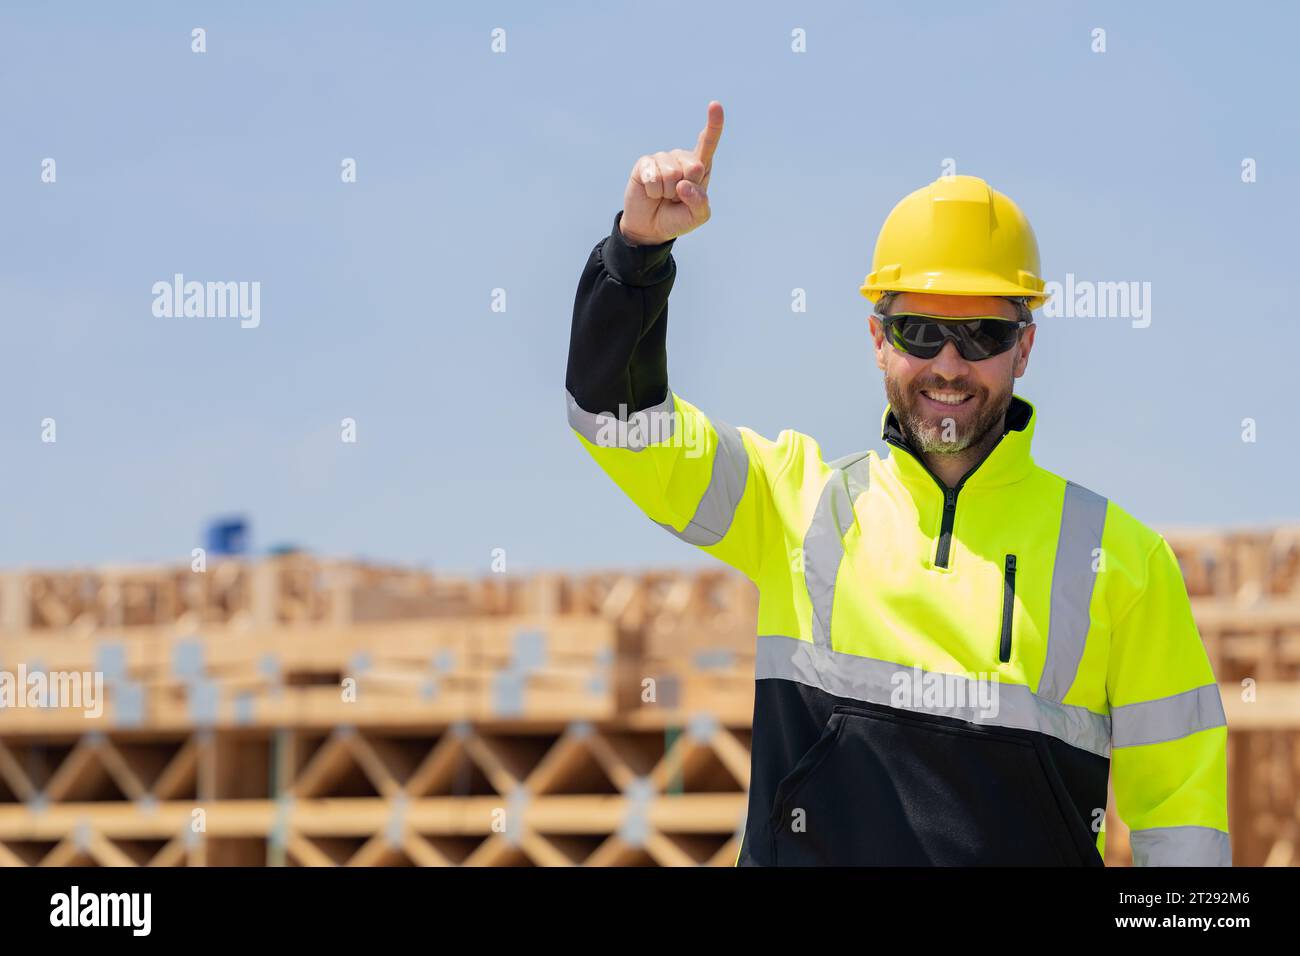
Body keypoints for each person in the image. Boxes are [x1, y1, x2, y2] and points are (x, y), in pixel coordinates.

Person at [564, 101, 1230, 866]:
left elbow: (1185, 832)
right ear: (878, 338)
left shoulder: (1122, 562)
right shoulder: (792, 501)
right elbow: (614, 423)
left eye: (983, 332)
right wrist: (637, 254)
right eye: (921, 331)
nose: (949, 363)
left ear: (1026, 347)